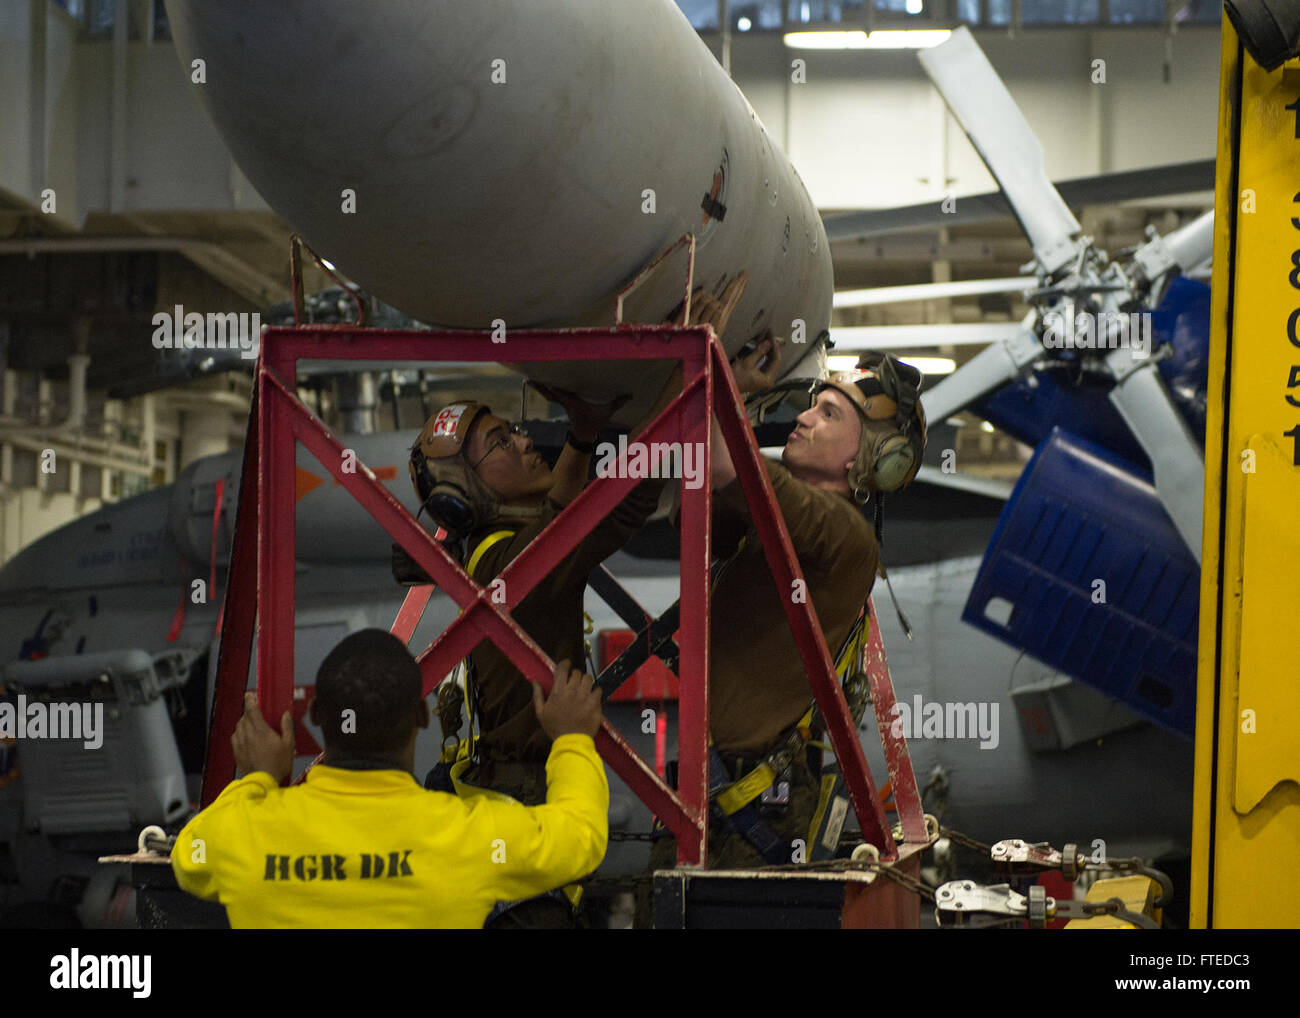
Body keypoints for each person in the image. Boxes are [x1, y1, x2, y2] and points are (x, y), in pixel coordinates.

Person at [637, 349, 927, 921]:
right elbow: (692, 500)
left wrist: (720, 372)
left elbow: (722, 465)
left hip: (757, 809)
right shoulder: (779, 521)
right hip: (713, 793)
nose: (803, 417)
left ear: (871, 461)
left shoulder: (842, 535)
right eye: (811, 406)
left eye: (828, 415)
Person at [170, 630, 606, 929]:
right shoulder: (471, 835)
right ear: (421, 716)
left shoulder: (243, 831)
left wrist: (258, 779)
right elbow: (581, 837)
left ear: (317, 715)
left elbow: (189, 858)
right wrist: (571, 741)